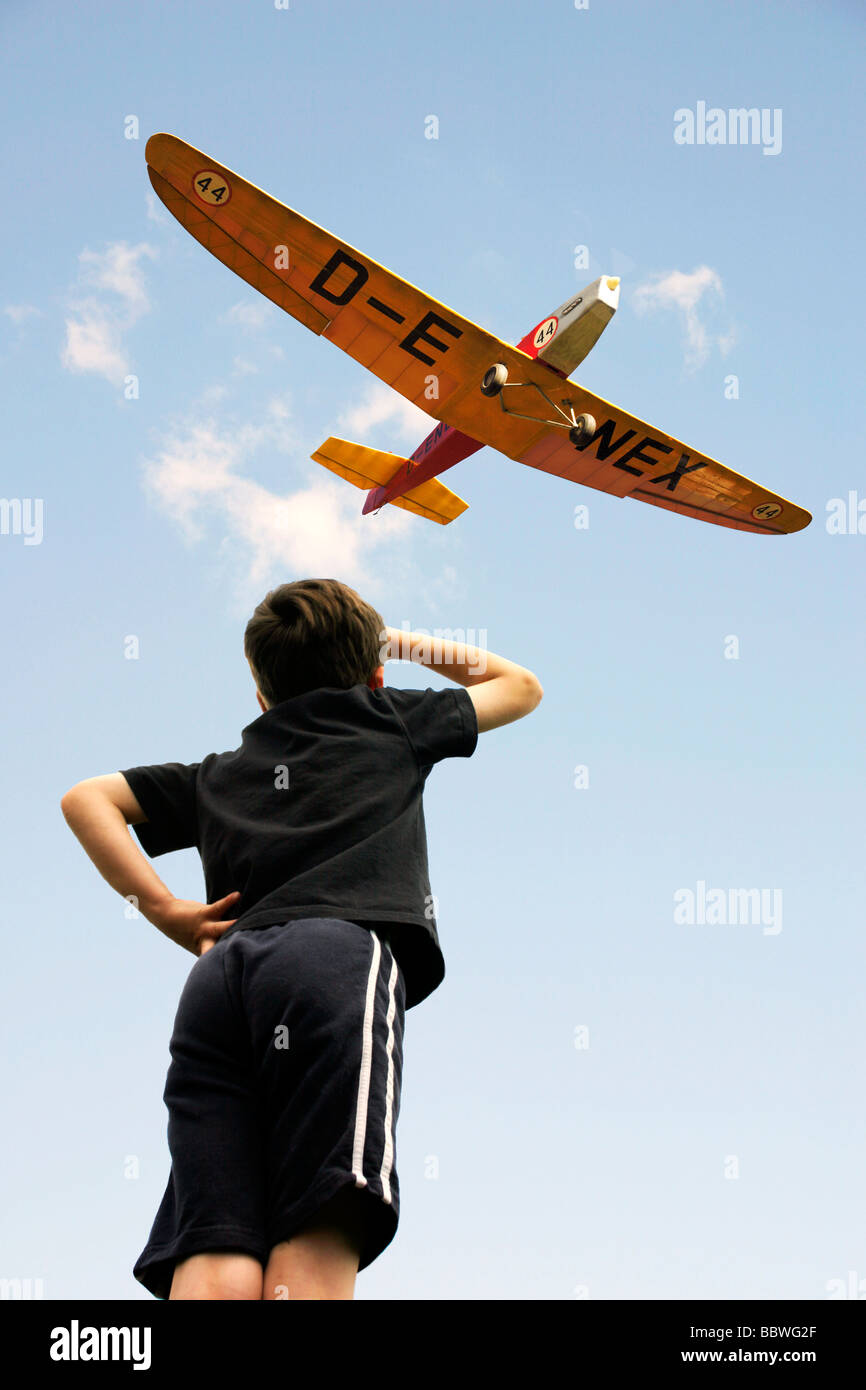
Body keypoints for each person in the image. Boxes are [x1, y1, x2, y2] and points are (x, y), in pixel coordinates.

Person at [61, 578, 542, 1299]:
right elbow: (521, 686)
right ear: (376, 676)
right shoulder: (389, 720)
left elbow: (87, 799)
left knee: (216, 1233)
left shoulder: (217, 776)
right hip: (332, 965)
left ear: (261, 698)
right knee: (321, 1214)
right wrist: (400, 642)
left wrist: (165, 911)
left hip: (219, 984)